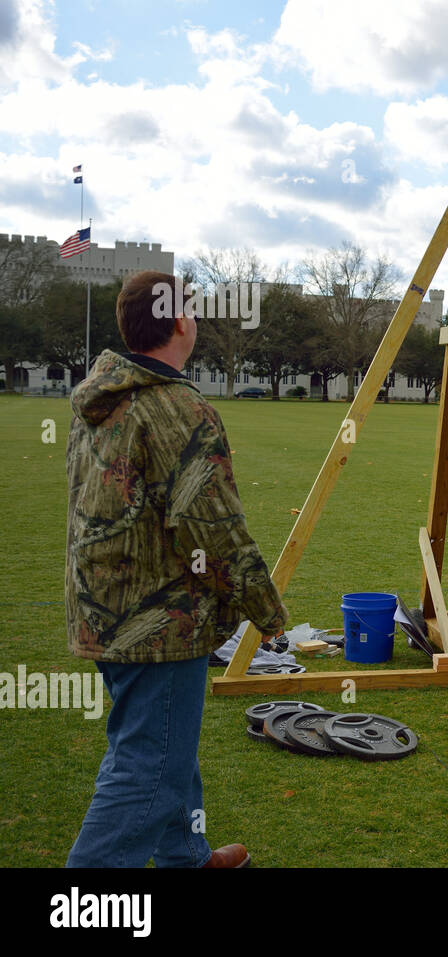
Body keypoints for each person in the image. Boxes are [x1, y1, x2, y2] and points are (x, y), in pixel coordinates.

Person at [66, 270, 288, 867]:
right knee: (149, 766)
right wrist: (267, 612)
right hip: (157, 622)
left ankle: (186, 856)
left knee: (165, 742)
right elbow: (213, 528)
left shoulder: (102, 399)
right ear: (181, 321)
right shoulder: (176, 408)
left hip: (103, 610)